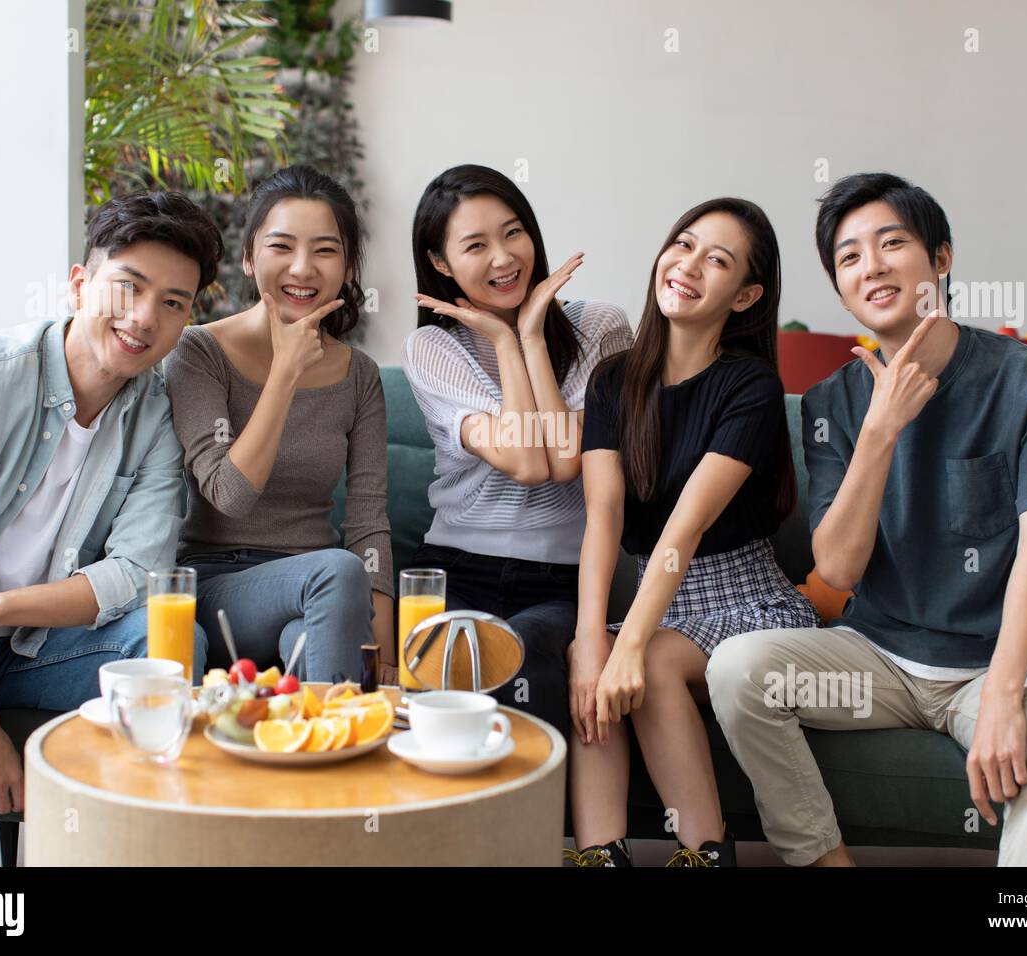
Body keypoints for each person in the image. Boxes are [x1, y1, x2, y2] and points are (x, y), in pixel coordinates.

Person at [706, 172, 1027, 867]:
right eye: (849, 257)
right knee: (739, 665)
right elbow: (839, 569)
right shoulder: (833, 401)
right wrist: (880, 432)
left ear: (940, 258)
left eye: (892, 244)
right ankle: (824, 859)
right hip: (876, 659)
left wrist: (1005, 694)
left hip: (1000, 663)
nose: (872, 266)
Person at [0, 190, 221, 847]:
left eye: (173, 303)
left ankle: (124, 858)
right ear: (79, 285)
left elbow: (139, 572)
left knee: (170, 648)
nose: (145, 319)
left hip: (37, 646)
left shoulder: (155, 416)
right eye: (129, 287)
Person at [566, 198, 819, 867]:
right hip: (663, 600)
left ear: (746, 296)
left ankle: (705, 851)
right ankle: (599, 853)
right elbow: (604, 516)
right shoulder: (613, 381)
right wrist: (593, 640)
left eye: (718, 260)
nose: (689, 265)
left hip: (747, 601)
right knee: (585, 657)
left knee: (643, 661)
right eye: (683, 245)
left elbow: (688, 525)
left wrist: (628, 645)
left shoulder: (751, 387)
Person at [402, 164, 631, 737]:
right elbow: (529, 463)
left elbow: (563, 460)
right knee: (448, 671)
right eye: (476, 245)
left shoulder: (601, 327)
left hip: (562, 579)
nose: (503, 259)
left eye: (513, 233)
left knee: (518, 654)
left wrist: (531, 334)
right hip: (457, 571)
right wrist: (508, 339)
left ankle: (524, 827)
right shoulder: (432, 347)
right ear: (439, 263)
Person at [164, 165, 394, 684]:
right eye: (281, 246)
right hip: (219, 582)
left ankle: (325, 750)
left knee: (310, 643)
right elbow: (230, 494)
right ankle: (341, 757)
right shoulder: (198, 352)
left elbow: (368, 522)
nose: (303, 268)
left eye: (326, 250)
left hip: (325, 591)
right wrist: (286, 371)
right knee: (337, 570)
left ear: (349, 268)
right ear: (248, 258)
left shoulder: (359, 376)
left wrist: (385, 659)